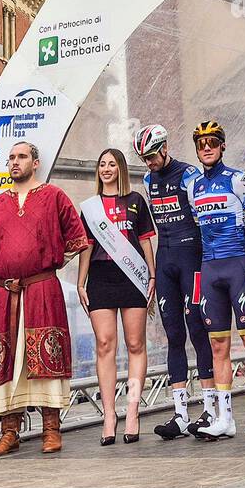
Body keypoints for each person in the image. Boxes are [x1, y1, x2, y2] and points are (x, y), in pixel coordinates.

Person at [0, 140, 89, 457]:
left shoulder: (54, 196)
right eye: (11, 157)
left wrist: (49, 262)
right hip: (5, 292)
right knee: (8, 361)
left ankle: (51, 430)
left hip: (42, 289)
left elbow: (77, 239)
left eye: (22, 156)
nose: (15, 162)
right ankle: (10, 432)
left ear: (36, 162)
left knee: (45, 357)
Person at [186, 120, 245, 440]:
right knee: (217, 344)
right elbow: (198, 226)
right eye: (201, 144)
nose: (206, 148)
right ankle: (225, 418)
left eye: (212, 142)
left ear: (222, 146)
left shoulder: (239, 180)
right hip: (210, 268)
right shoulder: (193, 187)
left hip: (238, 265)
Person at [135, 125, 217, 439]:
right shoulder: (147, 179)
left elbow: (203, 217)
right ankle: (180, 413)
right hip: (167, 257)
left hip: (191, 257)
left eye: (153, 156)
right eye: (144, 158)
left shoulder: (189, 175)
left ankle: (210, 409)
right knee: (173, 335)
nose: (149, 163)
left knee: (197, 328)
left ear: (165, 148)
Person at [77, 148, 157, 445]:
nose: (106, 169)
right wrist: (80, 281)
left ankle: (133, 409)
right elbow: (85, 246)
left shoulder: (136, 201)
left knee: (136, 344)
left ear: (121, 168)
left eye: (111, 164)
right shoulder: (89, 207)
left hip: (132, 277)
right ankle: (109, 414)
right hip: (100, 276)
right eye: (102, 164)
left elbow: (147, 242)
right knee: (104, 344)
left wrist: (152, 274)